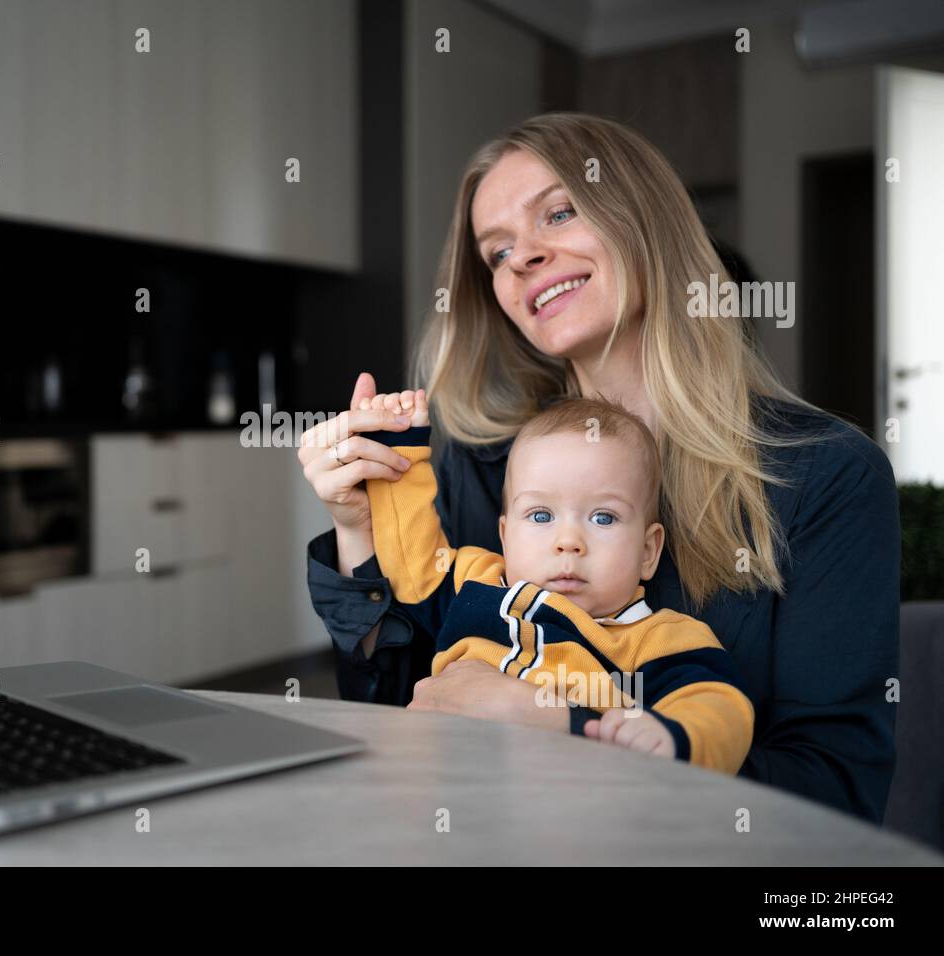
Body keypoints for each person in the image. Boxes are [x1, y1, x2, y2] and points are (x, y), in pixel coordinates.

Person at [297, 112, 899, 824]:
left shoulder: (826, 475)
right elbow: (401, 711)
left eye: (558, 213)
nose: (521, 259)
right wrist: (359, 531)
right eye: (496, 253)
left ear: (645, 221)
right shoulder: (487, 464)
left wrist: (559, 727)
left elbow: (833, 794)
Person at [358, 389, 754, 774]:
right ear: (505, 534)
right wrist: (399, 451)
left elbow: (720, 705)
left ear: (648, 551)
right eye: (541, 516)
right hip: (449, 791)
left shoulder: (657, 640)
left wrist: (672, 738)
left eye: (603, 518)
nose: (568, 543)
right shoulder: (476, 583)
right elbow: (411, 561)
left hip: (575, 811)